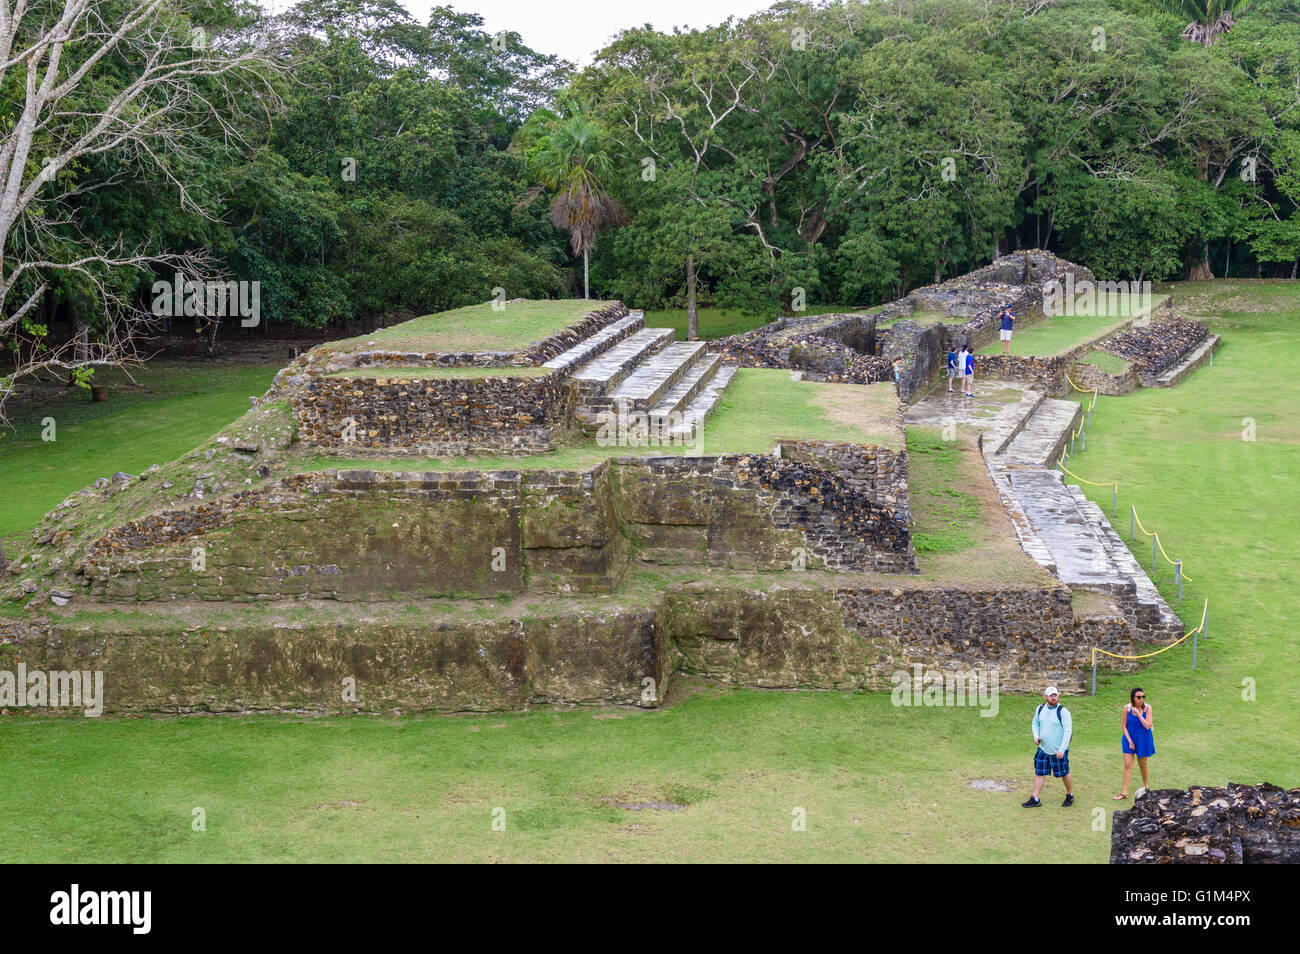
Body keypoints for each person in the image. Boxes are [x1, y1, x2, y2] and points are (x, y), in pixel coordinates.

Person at [1023, 686, 1074, 808]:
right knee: (1039, 772)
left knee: (1064, 773)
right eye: (1051, 695)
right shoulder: (1040, 709)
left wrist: (1062, 749)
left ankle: (1070, 795)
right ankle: (1035, 798)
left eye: (1055, 695)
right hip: (1043, 748)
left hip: (1058, 750)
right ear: (1046, 697)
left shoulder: (1063, 712)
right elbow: (1035, 723)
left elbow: (1068, 732)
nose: (1053, 697)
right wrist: (1036, 736)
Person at [1115, 687, 1155, 800]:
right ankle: (1124, 793)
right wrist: (1130, 741)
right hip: (1129, 739)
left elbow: (1148, 725)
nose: (1141, 699)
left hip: (1143, 740)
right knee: (1128, 765)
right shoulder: (1127, 708)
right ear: (1133, 698)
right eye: (1139, 697)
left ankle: (1146, 787)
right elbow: (1123, 726)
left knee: (1143, 765)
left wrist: (1138, 714)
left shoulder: (1148, 708)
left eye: (1143, 697)